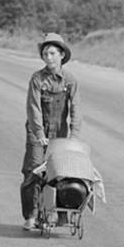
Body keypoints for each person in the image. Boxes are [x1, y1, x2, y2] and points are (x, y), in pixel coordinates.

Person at [20, 32, 80, 232]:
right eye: (45, 54)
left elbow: (76, 109)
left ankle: (60, 215)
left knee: (61, 172)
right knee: (34, 170)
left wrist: (74, 137)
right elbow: (33, 108)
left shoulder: (69, 80)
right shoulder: (37, 78)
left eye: (52, 53)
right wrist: (39, 134)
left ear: (61, 55)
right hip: (37, 131)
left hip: (59, 133)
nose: (48, 57)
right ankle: (31, 215)